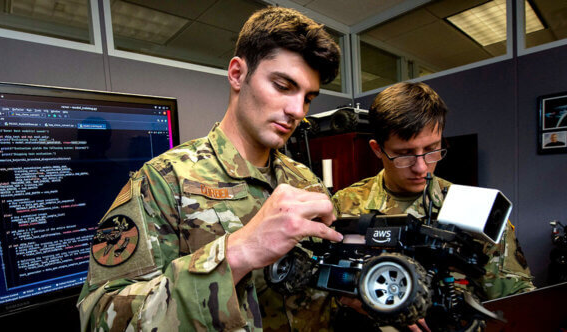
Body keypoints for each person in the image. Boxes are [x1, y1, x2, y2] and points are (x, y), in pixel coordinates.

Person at [77, 7, 343, 331]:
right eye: (283, 86)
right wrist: (239, 251)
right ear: (237, 74)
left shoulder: (307, 183)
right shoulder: (162, 182)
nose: (297, 110)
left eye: (308, 98)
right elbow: (98, 317)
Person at [332, 82, 535, 327]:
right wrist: (357, 301)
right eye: (405, 153)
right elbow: (316, 290)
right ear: (377, 149)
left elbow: (516, 302)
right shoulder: (344, 206)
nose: (421, 167)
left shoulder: (481, 211)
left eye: (432, 150)